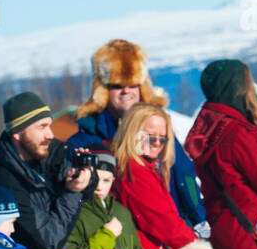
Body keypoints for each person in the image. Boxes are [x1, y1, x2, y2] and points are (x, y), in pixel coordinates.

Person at [74, 39, 207, 233]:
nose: (126, 91)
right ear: (103, 90)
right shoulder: (89, 137)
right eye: (117, 85)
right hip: (122, 236)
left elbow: (185, 174)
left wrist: (197, 220)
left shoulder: (159, 127)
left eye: (133, 84)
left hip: (173, 230)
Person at [111, 105, 226, 249]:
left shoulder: (145, 168)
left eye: (162, 138)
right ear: (133, 132)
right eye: (151, 136)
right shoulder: (135, 172)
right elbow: (164, 221)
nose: (157, 143)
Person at [184, 60, 257, 249]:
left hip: (222, 231)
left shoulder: (208, 127)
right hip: (249, 236)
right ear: (237, 88)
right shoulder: (236, 132)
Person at [0, 92, 91, 249]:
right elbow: (47, 242)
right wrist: (72, 193)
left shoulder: (45, 152)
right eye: (41, 127)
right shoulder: (4, 182)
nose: (50, 135)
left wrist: (84, 173)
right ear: (17, 133)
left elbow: (91, 184)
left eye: (49, 126)